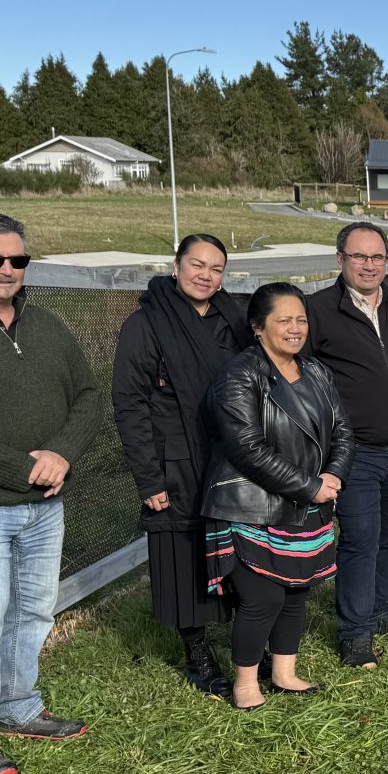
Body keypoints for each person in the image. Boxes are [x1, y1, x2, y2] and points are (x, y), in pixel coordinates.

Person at [0, 210, 101, 774]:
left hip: (43, 506)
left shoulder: (47, 325)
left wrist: (61, 453)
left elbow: (88, 395)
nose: (7, 269)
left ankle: (16, 706)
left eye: (18, 258)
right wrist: (25, 470)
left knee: (33, 610)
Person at [203, 283, 356, 710]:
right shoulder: (239, 375)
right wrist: (311, 486)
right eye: (283, 320)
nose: (295, 328)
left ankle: (285, 673)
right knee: (263, 596)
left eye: (301, 319)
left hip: (308, 502)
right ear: (258, 327)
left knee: (296, 590)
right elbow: (246, 448)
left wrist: (333, 474)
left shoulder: (317, 371)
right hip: (250, 504)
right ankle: (245, 684)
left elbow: (344, 430)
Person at [113, 234, 249, 695]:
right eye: (196, 264)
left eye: (216, 268)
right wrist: (148, 477)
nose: (205, 275)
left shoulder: (234, 320)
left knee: (239, 547)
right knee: (182, 555)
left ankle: (248, 641)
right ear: (176, 266)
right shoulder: (146, 324)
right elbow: (130, 403)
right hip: (175, 459)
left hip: (230, 454)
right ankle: (197, 653)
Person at [305, 222, 388, 668]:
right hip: (355, 453)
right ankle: (355, 633)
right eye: (359, 256)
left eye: (377, 257)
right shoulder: (319, 311)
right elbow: (298, 374)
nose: (369, 265)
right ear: (339, 259)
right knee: (360, 540)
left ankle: (380, 611)